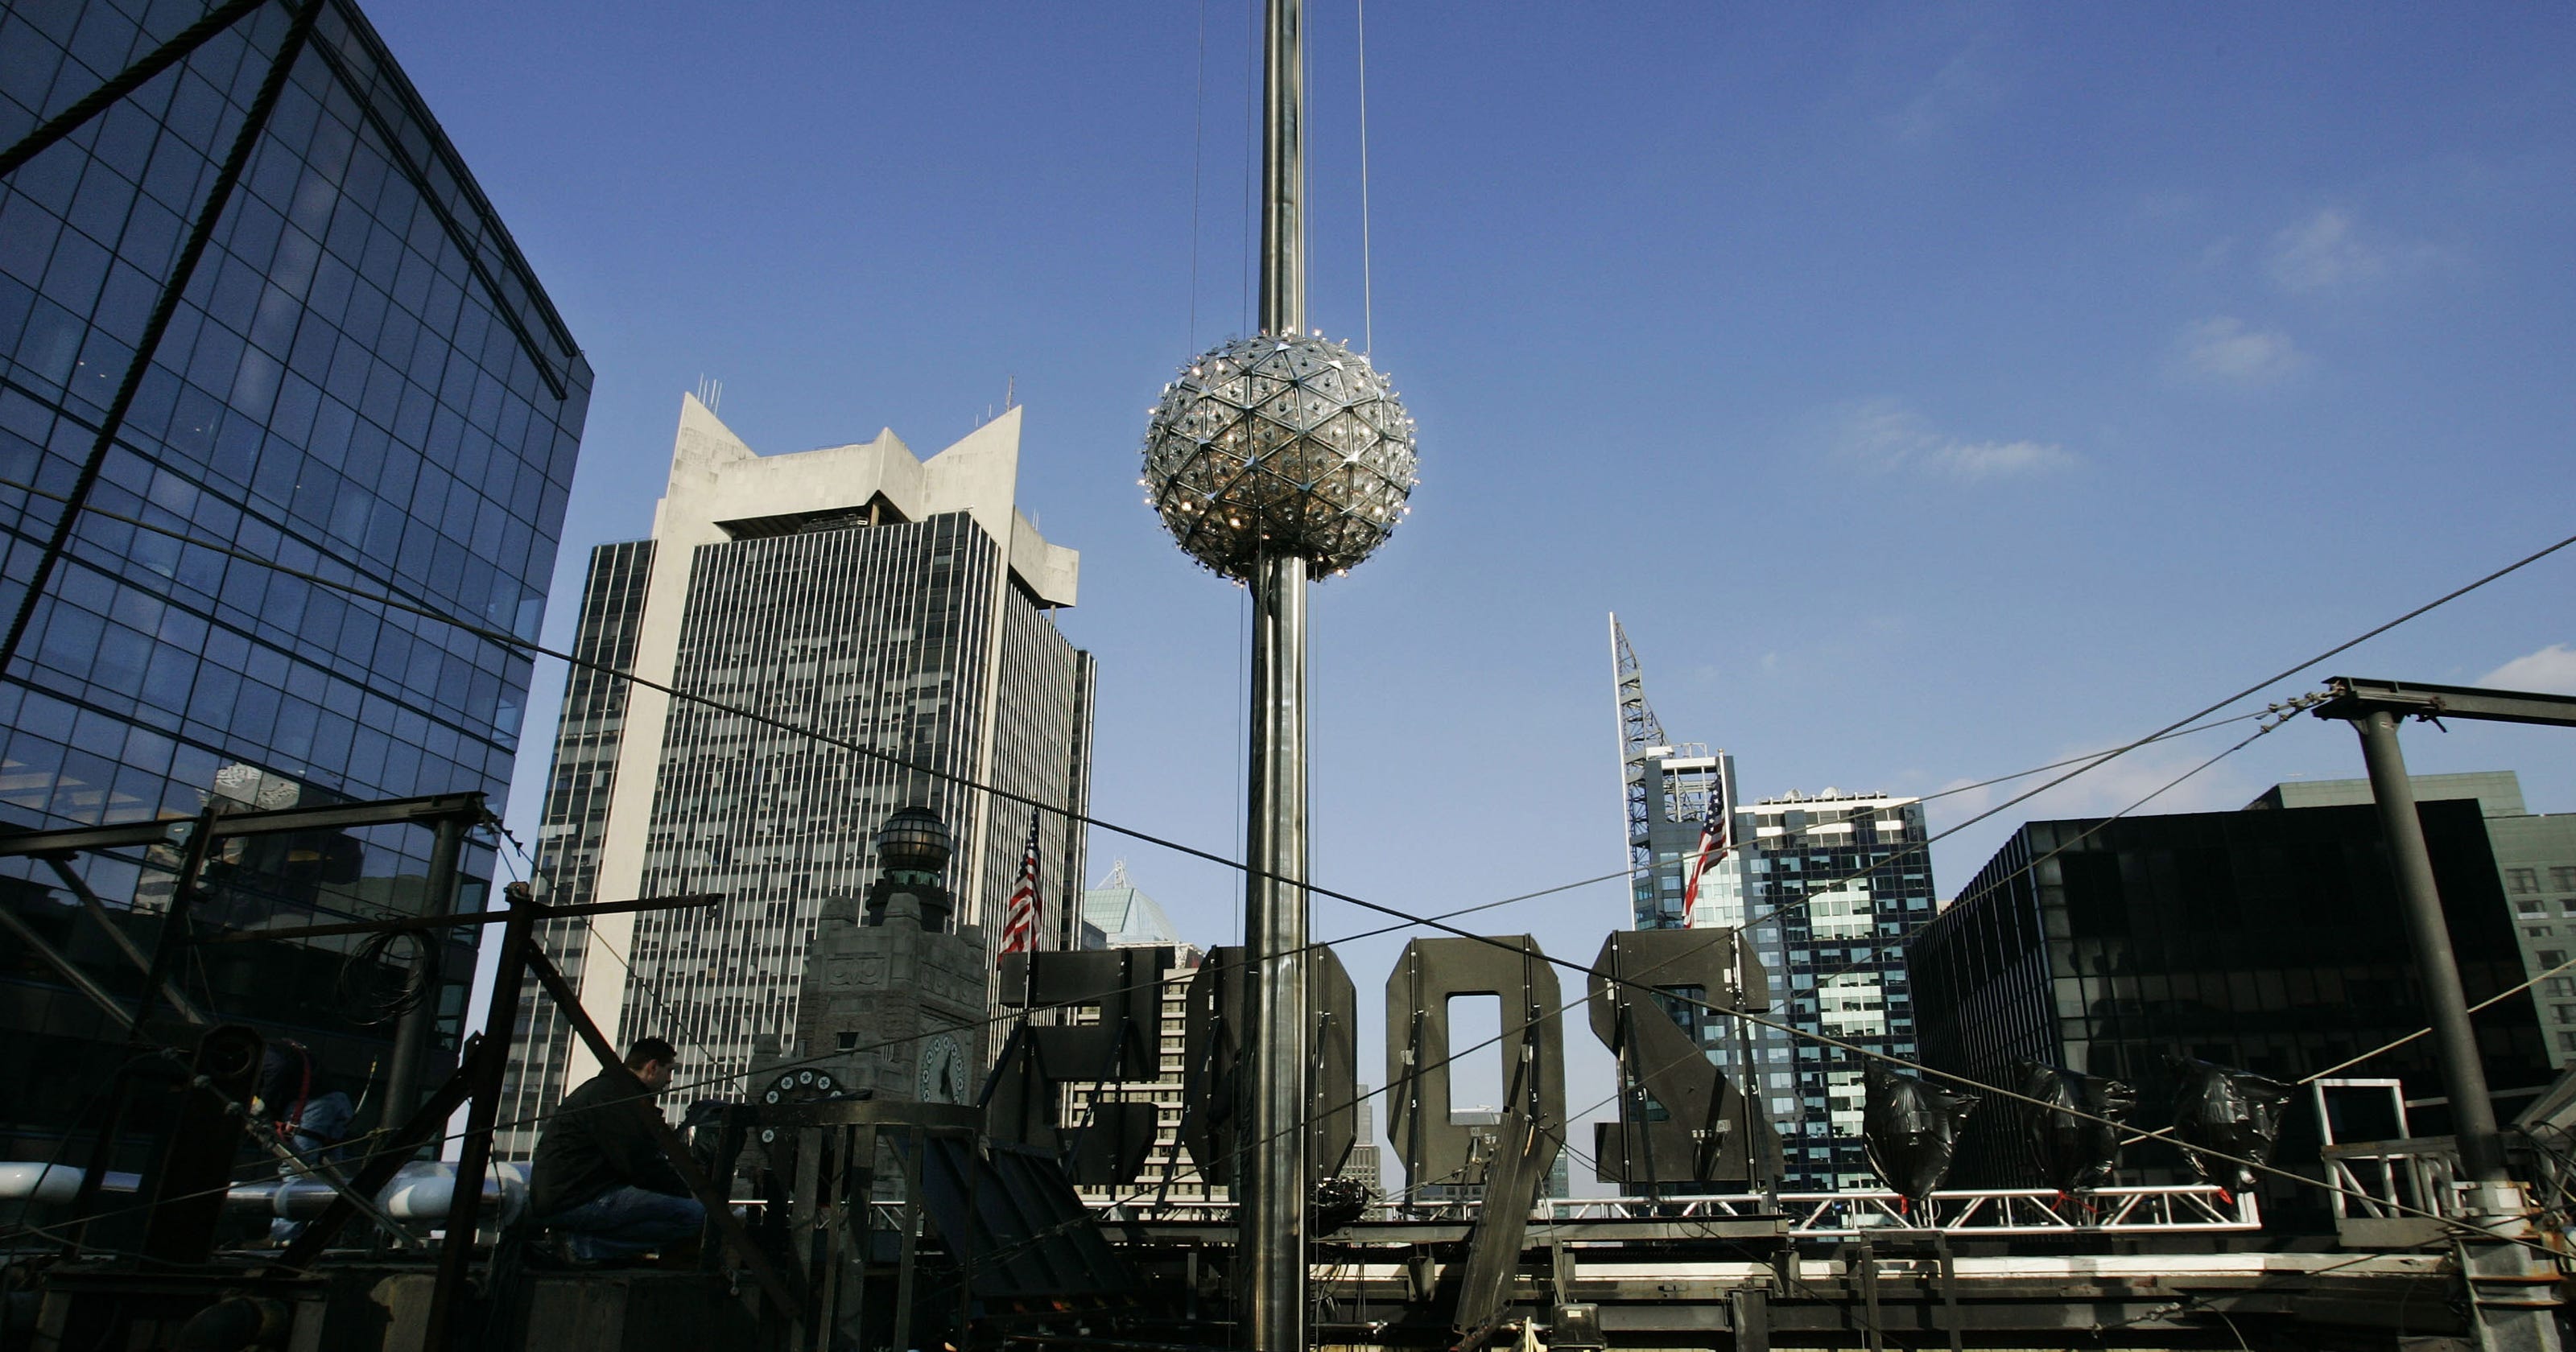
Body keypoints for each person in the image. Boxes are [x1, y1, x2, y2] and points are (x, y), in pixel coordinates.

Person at [527, 1037, 704, 1263]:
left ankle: (588, 1243)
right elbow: (639, 1163)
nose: (669, 1080)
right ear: (652, 1067)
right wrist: (686, 1192)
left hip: (566, 1194)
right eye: (668, 1071)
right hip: (578, 1199)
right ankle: (585, 1246)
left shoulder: (606, 1091)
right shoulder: (620, 1098)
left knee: (673, 1211)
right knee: (694, 1215)